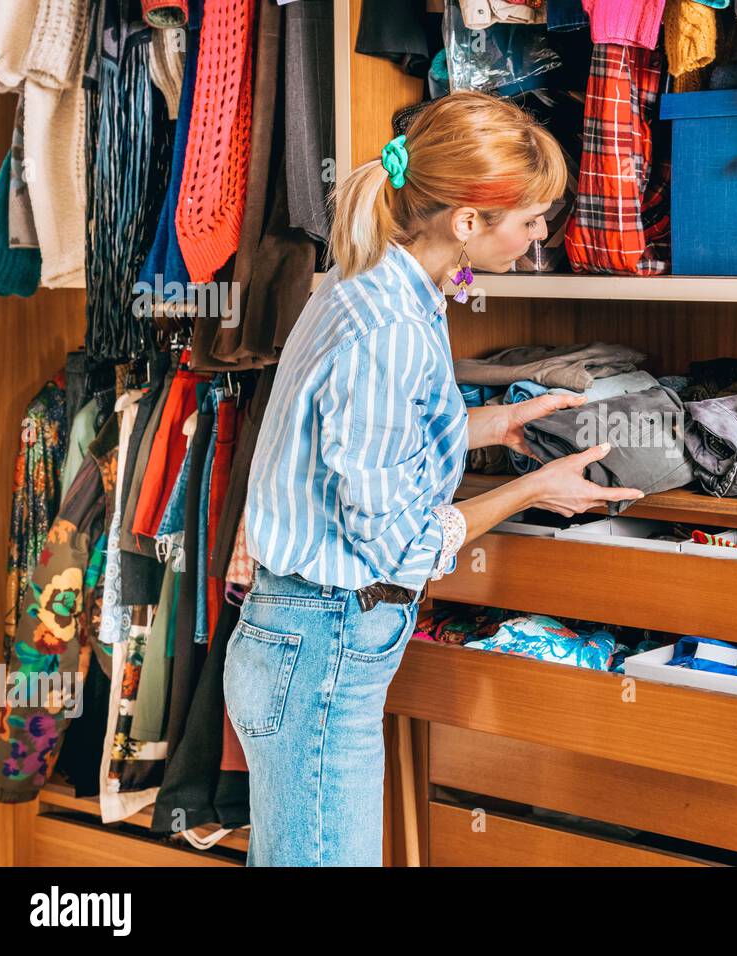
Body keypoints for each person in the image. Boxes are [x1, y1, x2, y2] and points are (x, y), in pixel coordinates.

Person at [225, 91, 644, 866]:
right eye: (528, 218)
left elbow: (361, 444)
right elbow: (396, 547)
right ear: (466, 223)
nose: (540, 235)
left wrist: (492, 426)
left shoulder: (378, 285)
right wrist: (528, 490)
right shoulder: (390, 329)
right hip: (320, 647)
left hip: (310, 641)